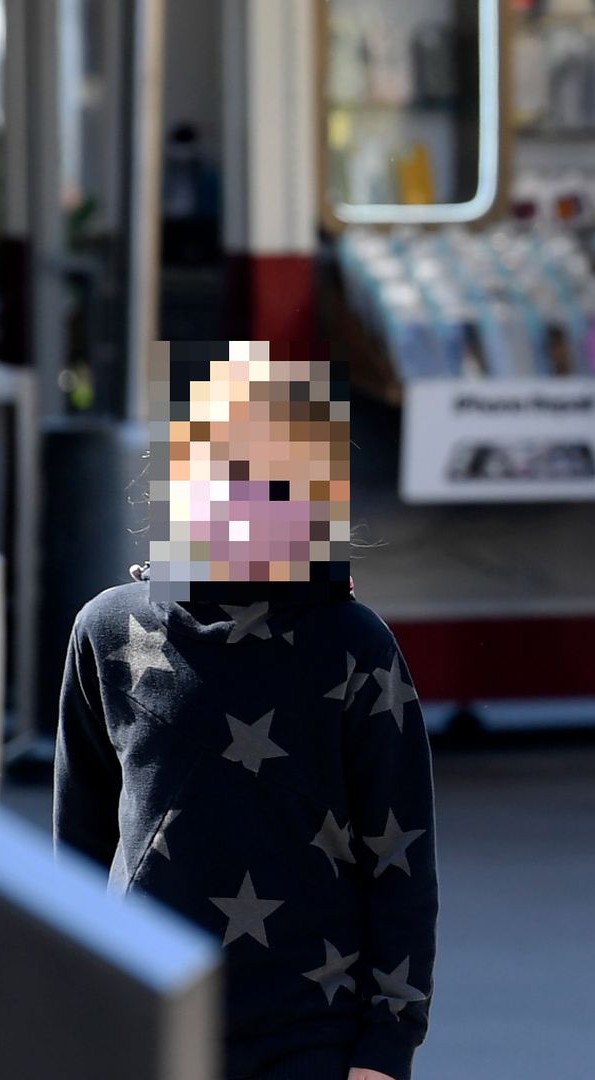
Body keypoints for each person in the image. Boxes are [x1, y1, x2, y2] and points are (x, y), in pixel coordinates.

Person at [54, 351, 437, 1080]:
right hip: (141, 1024)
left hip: (309, 1039)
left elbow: (402, 864)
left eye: (277, 479)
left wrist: (386, 1051)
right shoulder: (107, 633)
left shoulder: (355, 645)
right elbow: (76, 844)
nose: (247, 496)